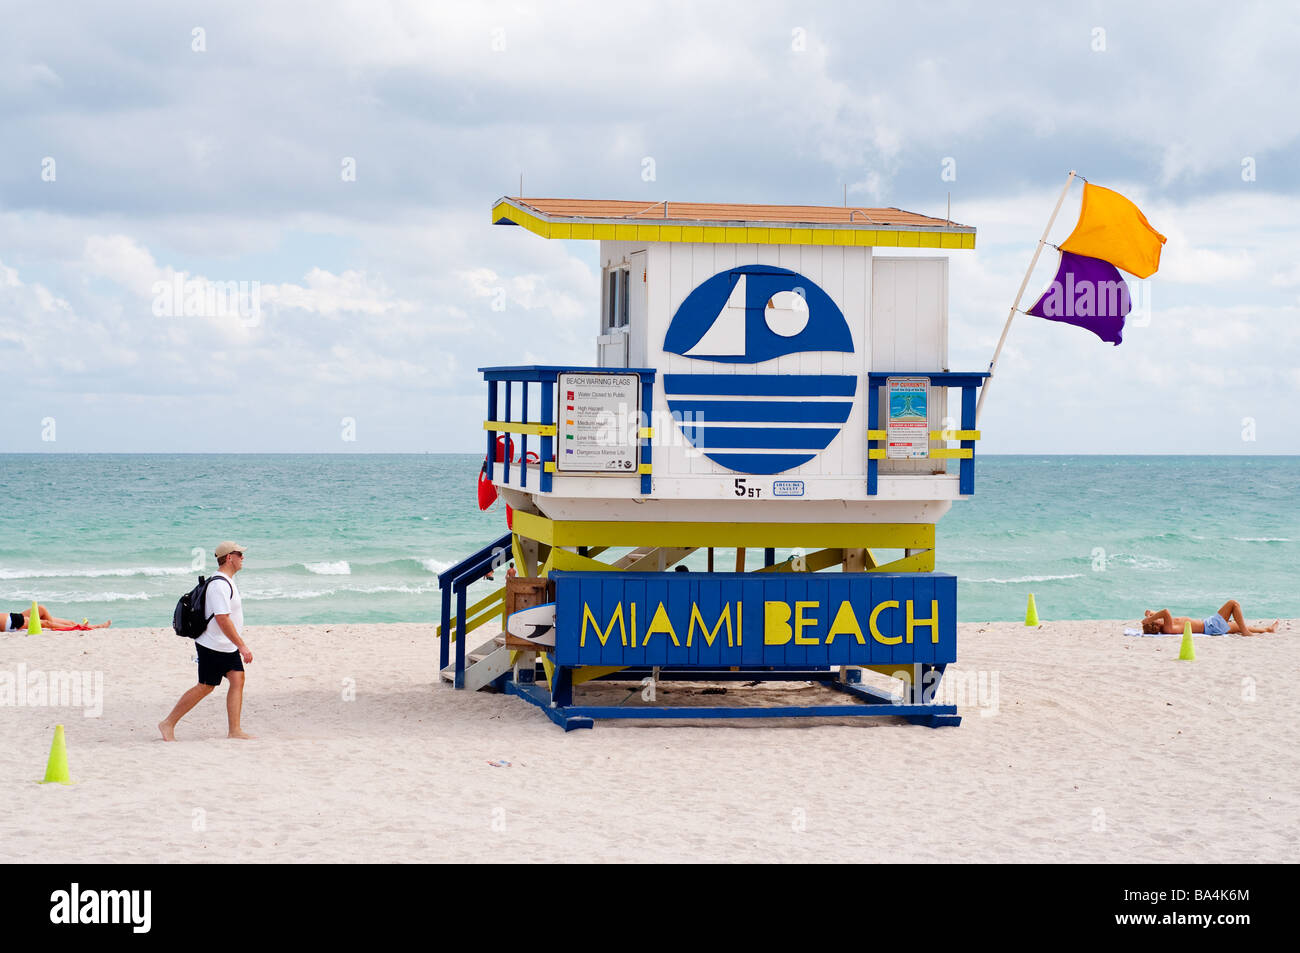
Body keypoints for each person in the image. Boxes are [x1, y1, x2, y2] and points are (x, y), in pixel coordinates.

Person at [159, 542, 255, 740]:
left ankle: (234, 730)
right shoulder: (219, 585)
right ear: (229, 557)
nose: (242, 558)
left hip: (225, 645)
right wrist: (242, 646)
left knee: (238, 679)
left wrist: (235, 645)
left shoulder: (226, 581)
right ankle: (167, 723)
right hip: (213, 645)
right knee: (205, 686)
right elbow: (222, 619)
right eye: (239, 554)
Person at [1141, 600, 1278, 636]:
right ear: (1156, 625)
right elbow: (1165, 611)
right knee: (1233, 604)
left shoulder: (1164, 624)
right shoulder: (1168, 628)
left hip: (1209, 625)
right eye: (1155, 619)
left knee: (1237, 627)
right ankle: (1246, 633)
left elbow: (1152, 612)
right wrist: (1148, 619)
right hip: (1210, 626)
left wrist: (1149, 615)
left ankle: (1267, 630)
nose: (1155, 617)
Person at [1, 605, 111, 632]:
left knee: (41, 608)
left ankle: (96, 626)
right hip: (13, 624)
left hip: (14, 617)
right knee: (46, 623)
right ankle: (77, 627)